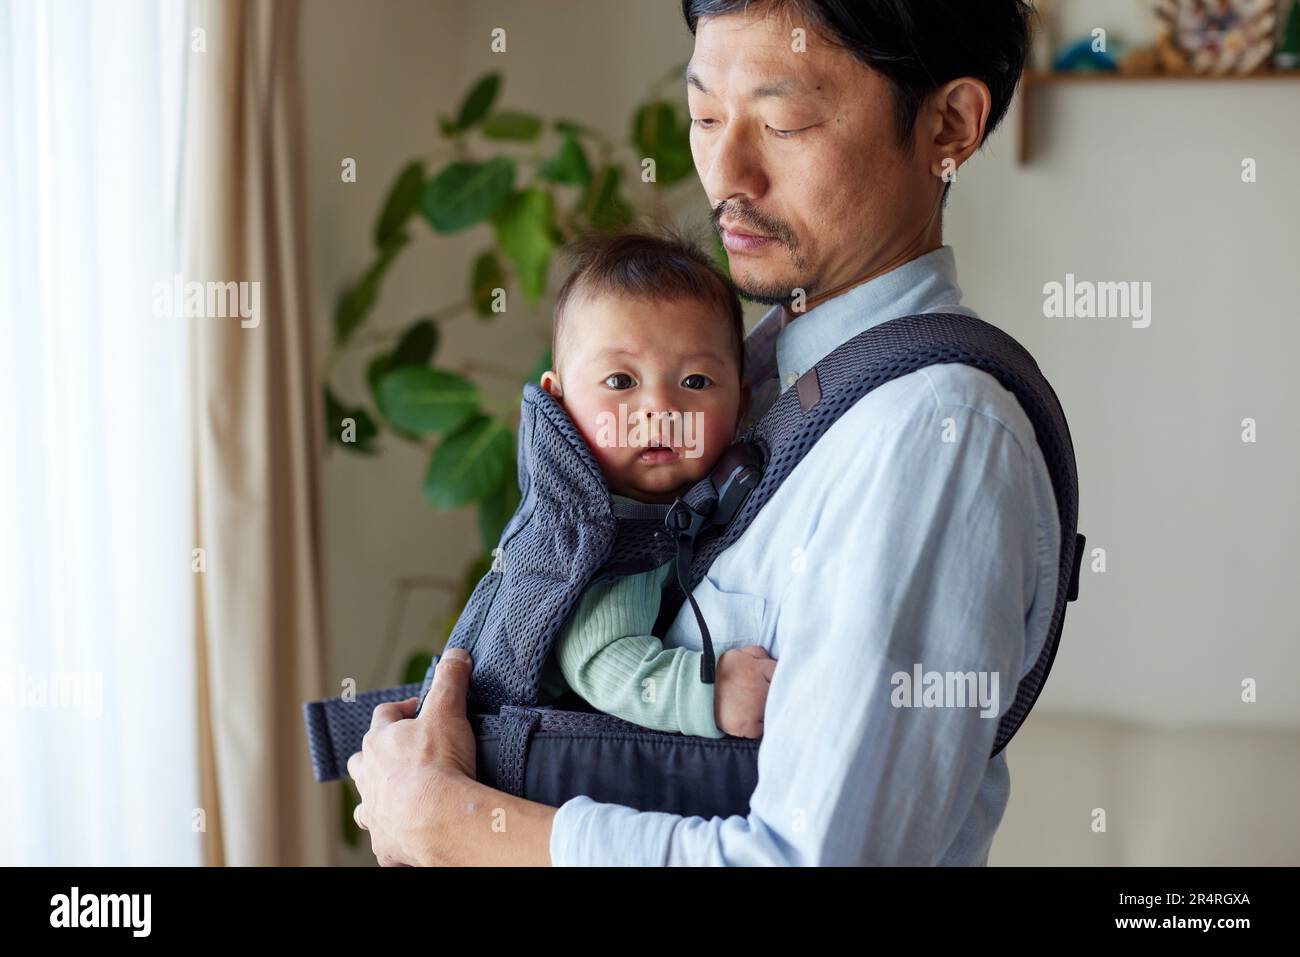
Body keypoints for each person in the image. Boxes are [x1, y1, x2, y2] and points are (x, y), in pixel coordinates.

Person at [348, 0, 1059, 866]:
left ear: (949, 124)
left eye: (783, 120)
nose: (725, 173)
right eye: (705, 117)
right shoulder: (744, 378)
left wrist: (453, 823)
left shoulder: (935, 436)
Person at [537, 230, 775, 741]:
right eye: (621, 381)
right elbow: (600, 659)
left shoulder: (693, 495)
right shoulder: (607, 533)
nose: (661, 410)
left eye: (695, 382)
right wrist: (707, 692)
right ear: (558, 404)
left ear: (741, 403)